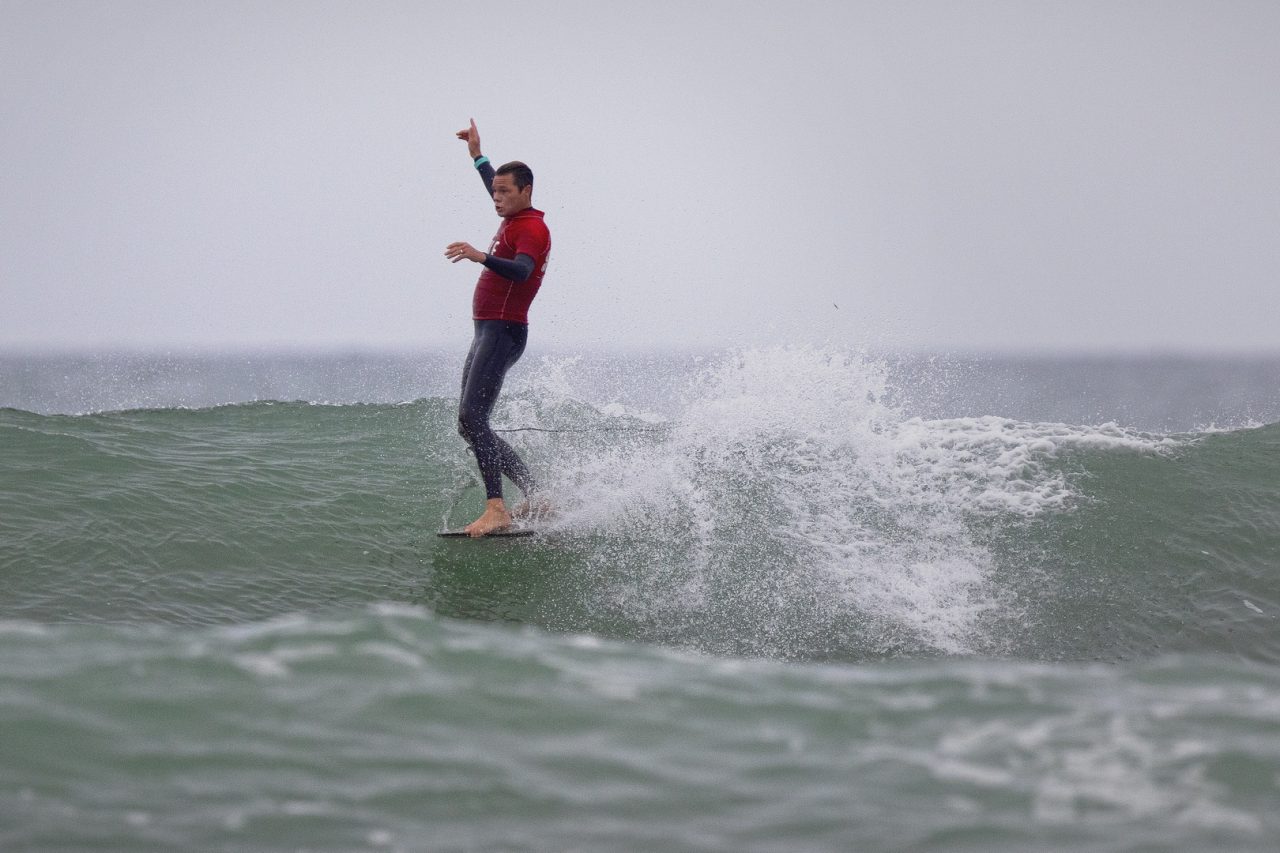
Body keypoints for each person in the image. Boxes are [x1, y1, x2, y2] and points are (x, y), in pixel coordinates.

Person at [444, 119, 551, 536]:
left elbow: (523, 272)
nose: (497, 198)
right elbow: (494, 182)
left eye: (506, 192)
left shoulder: (531, 228)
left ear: (526, 191)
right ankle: (536, 496)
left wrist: (478, 256)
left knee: (473, 417)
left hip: (503, 332)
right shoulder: (513, 214)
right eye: (495, 192)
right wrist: (477, 155)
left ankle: (496, 508)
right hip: (487, 330)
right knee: (468, 422)